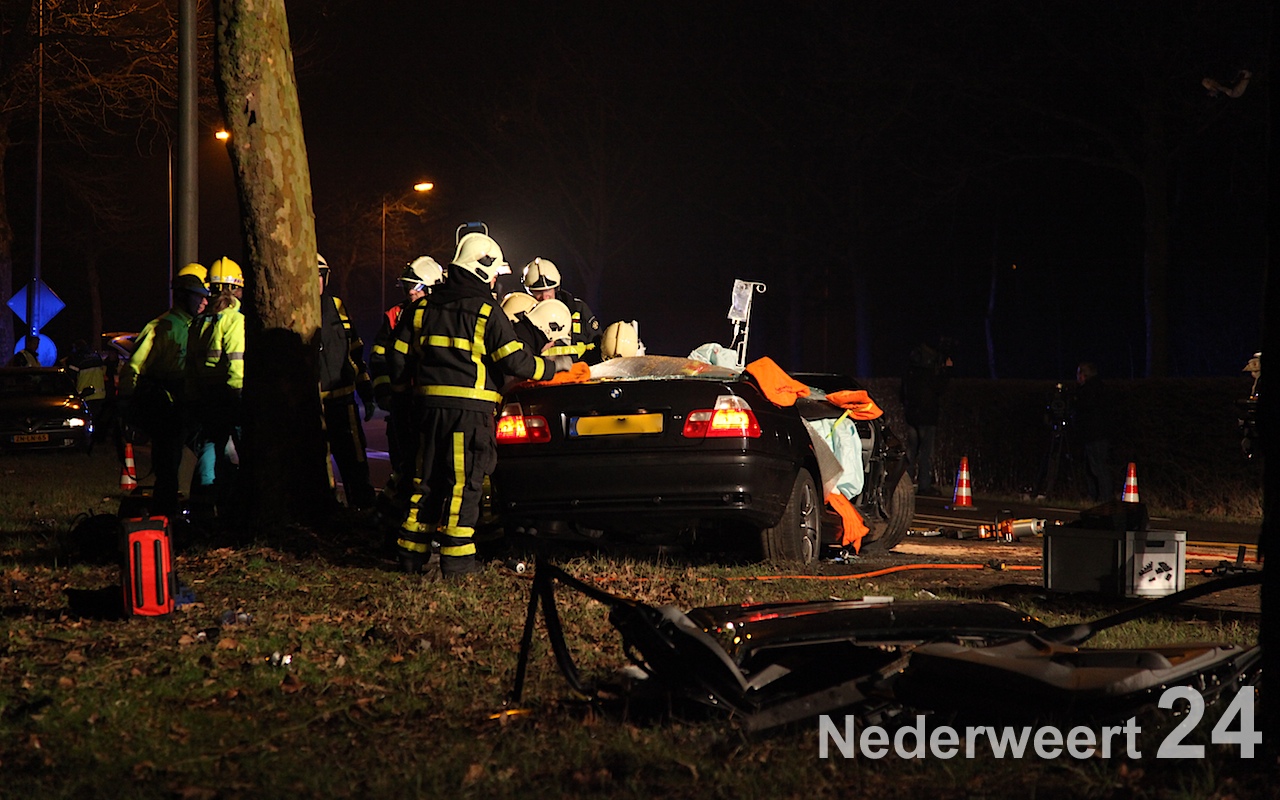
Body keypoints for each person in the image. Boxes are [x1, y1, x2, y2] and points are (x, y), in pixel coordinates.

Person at [389, 232, 569, 577]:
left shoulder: (422, 308)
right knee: (464, 485)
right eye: (495, 273)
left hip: (427, 413)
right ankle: (457, 564)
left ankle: (410, 557)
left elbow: (398, 359)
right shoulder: (486, 311)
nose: (496, 280)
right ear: (481, 268)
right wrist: (552, 367)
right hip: (467, 417)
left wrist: (403, 394)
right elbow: (515, 362)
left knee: (424, 482)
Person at [118, 273, 209, 517]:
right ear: (182, 296)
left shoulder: (197, 327)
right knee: (168, 467)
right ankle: (164, 517)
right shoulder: (161, 327)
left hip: (188, 403)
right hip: (167, 407)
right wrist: (127, 402)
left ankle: (197, 511)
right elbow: (135, 366)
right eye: (198, 296)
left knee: (205, 455)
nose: (204, 302)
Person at [369, 256, 445, 517]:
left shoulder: (443, 316)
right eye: (408, 287)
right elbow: (379, 355)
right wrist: (384, 392)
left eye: (417, 287)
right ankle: (394, 519)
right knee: (405, 467)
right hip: (405, 404)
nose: (411, 292)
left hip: (431, 403)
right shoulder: (395, 315)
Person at [186, 257, 247, 519]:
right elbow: (237, 366)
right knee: (234, 455)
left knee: (209, 450)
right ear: (236, 289)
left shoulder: (200, 322)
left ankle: (202, 507)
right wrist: (240, 400)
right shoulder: (234, 320)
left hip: (204, 397)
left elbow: (189, 367)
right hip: (229, 396)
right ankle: (231, 507)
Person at [318, 254, 378, 511]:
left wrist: (366, 392)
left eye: (320, 275)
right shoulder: (295, 308)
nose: (317, 281)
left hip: (343, 401)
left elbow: (355, 351)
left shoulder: (336, 306)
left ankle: (363, 508)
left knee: (354, 458)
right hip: (311, 404)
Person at [522, 257, 602, 363]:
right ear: (529, 292)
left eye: (549, 290)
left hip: (580, 375)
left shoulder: (577, 308)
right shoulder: (523, 317)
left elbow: (598, 342)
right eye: (538, 292)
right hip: (541, 376)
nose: (545, 297)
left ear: (556, 288)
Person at [900, 341, 952, 497]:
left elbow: (902, 394)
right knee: (925, 453)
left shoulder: (910, 373)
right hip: (927, 418)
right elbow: (940, 388)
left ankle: (905, 484)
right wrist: (947, 371)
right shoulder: (929, 374)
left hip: (912, 416)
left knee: (911, 452)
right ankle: (924, 485)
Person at [1073, 361, 1113, 503]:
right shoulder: (1101, 388)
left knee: (1098, 467)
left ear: (1083, 375)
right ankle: (1098, 495)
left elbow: (1084, 412)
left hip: (1093, 435)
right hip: (1099, 434)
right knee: (1093, 467)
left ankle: (1104, 497)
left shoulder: (1086, 392)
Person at [62, 339, 107, 427]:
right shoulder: (96, 357)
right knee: (98, 422)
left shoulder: (77, 359)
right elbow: (104, 372)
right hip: (100, 394)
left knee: (86, 422)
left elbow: (70, 376)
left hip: (85, 395)